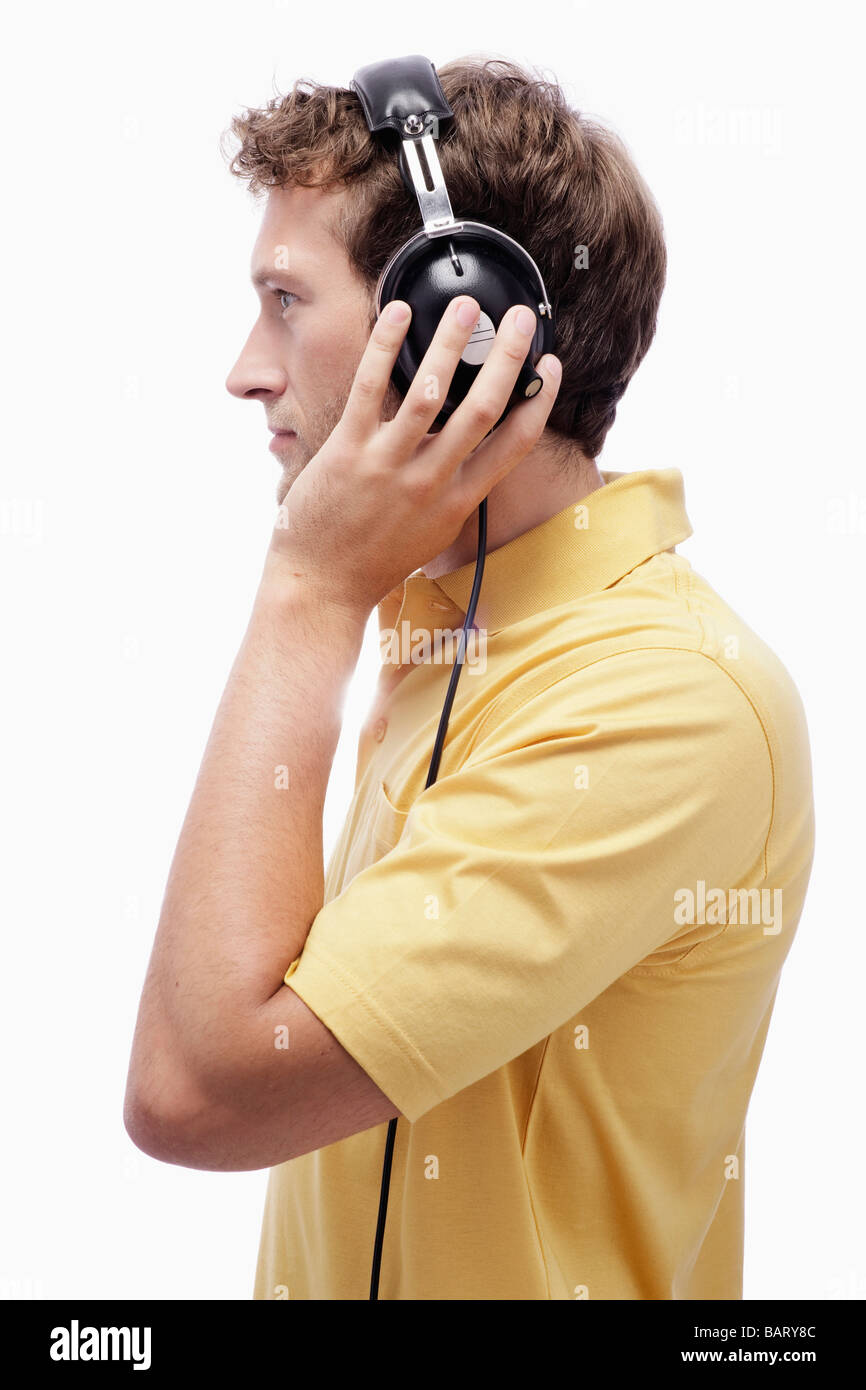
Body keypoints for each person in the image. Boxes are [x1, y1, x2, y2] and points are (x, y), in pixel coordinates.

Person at [123, 56, 815, 1300]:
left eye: (286, 300)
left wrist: (307, 591)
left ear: (460, 327)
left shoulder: (659, 701)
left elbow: (196, 1091)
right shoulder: (441, 628)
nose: (244, 370)